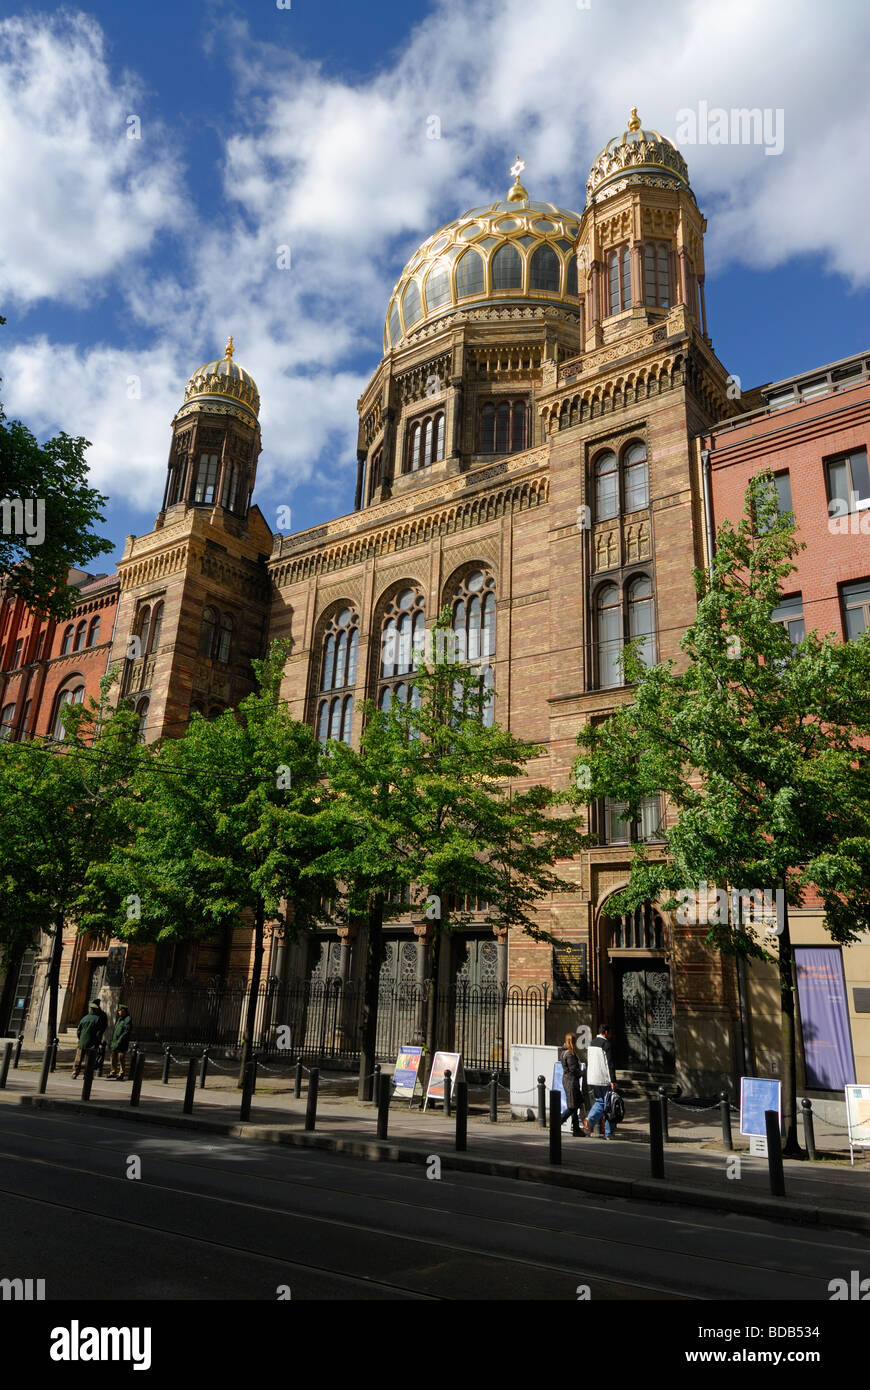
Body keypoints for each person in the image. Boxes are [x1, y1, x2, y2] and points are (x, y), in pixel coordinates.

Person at [584, 1022, 618, 1139]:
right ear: (606, 1032)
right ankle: (608, 1132)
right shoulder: (606, 1044)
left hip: (593, 1078)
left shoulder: (591, 1043)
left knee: (600, 1101)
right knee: (609, 1105)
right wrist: (613, 1081)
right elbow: (610, 1064)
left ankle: (590, 1121)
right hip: (604, 1079)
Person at [559, 1032, 584, 1136]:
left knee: (576, 1103)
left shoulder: (565, 1052)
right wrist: (582, 1072)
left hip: (569, 1080)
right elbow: (573, 1069)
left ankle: (576, 1129)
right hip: (571, 1081)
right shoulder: (569, 1053)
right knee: (572, 1106)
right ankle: (557, 1122)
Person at [71, 1005, 104, 1079]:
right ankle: (87, 1074)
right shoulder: (97, 1019)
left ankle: (75, 1073)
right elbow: (99, 1032)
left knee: (78, 1059)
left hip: (82, 1042)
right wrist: (98, 1041)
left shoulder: (84, 1018)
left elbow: (78, 1031)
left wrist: (81, 1038)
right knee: (88, 1060)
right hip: (91, 1043)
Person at [107, 1006, 132, 1080]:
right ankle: (113, 1072)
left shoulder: (128, 1019)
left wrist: (120, 1040)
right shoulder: (119, 1019)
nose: (118, 1012)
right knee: (113, 1057)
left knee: (121, 1057)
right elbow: (115, 1031)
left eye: (120, 1010)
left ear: (123, 1011)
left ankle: (121, 1073)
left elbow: (126, 1031)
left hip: (122, 1043)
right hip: (115, 1042)